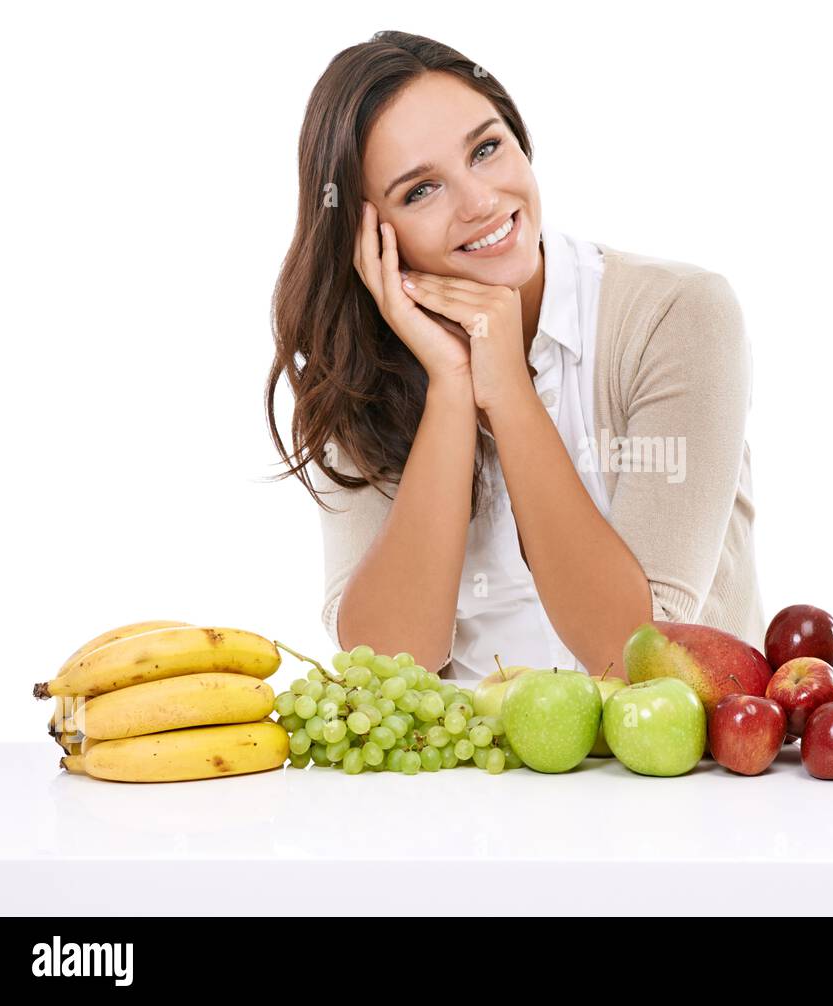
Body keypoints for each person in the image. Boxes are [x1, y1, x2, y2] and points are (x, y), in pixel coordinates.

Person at [266, 32, 763, 681]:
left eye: (486, 149)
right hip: (474, 778)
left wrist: (508, 395)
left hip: (672, 775)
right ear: (368, 237)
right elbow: (387, 664)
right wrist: (451, 383)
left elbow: (640, 652)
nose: (479, 203)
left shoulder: (678, 315)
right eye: (421, 191)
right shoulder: (356, 369)